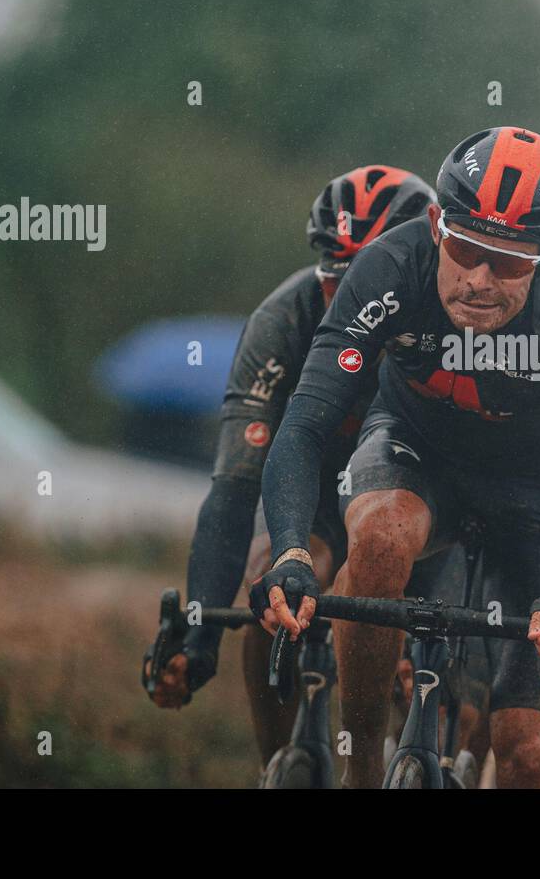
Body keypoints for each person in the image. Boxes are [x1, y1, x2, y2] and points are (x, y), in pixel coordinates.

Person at [251, 126, 540, 788]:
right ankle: (361, 766)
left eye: (511, 262)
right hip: (420, 452)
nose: (480, 280)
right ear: (437, 224)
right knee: (378, 533)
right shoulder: (390, 266)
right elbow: (303, 427)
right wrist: (290, 549)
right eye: (464, 248)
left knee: (530, 754)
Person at [144, 165, 434, 771]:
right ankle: (282, 763)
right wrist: (199, 634)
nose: (357, 299)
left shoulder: (446, 317)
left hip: (427, 496)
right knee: (270, 587)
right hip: (319, 490)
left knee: (408, 617)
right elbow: (233, 490)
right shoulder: (282, 321)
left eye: (373, 274)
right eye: (338, 279)